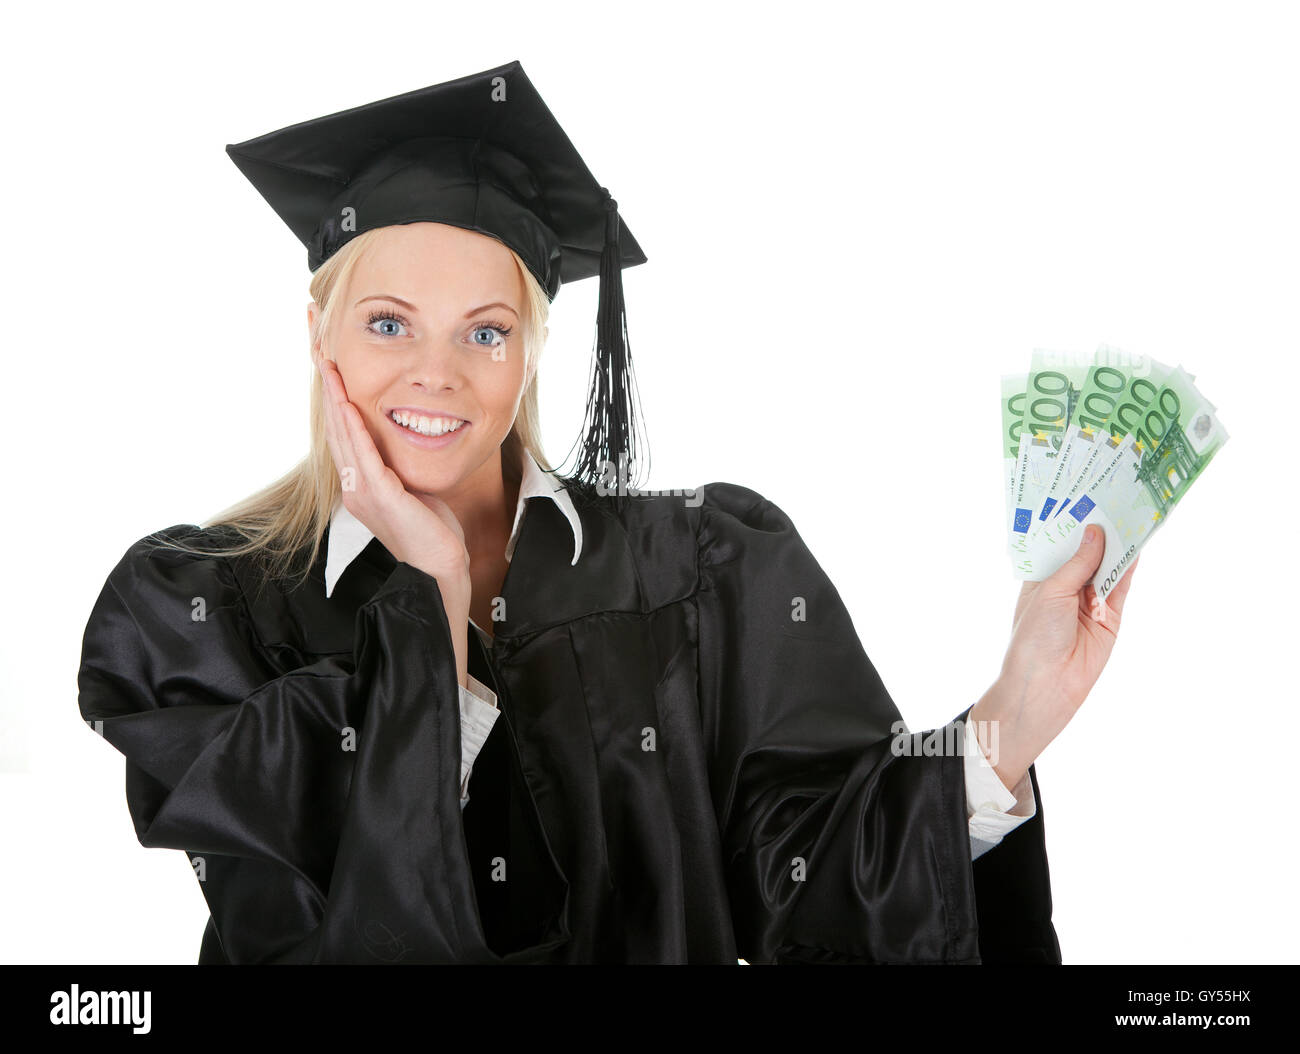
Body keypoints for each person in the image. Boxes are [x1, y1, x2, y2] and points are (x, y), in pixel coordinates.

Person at [76, 60, 1137, 964]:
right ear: (320, 333)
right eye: (390, 322)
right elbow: (312, 931)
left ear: (534, 345)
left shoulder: (700, 569)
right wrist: (434, 604)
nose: (435, 373)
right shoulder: (207, 608)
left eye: (485, 331)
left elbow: (815, 887)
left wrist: (1010, 715)